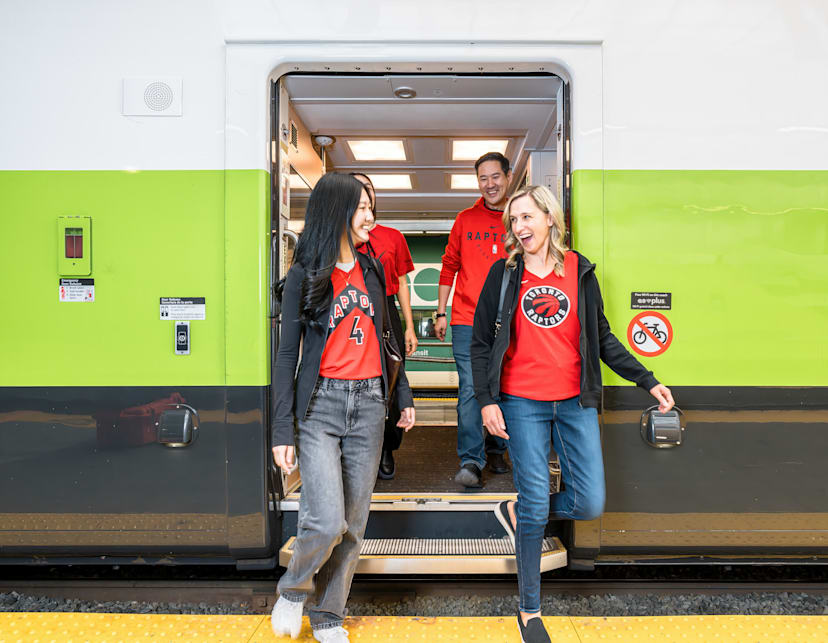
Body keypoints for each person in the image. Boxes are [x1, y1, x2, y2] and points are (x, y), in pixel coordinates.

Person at [470, 185, 674, 643]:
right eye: (514, 220)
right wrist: (486, 400)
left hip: (573, 402)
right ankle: (529, 611)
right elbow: (480, 343)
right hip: (521, 402)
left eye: (527, 217)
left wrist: (648, 381)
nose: (519, 227)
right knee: (537, 501)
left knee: (589, 502)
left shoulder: (580, 272)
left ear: (550, 218)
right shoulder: (504, 274)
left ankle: (523, 511)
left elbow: (602, 338)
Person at [270, 172, 416, 642]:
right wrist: (281, 430)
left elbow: (387, 337)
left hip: (370, 403)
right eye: (362, 207)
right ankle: (294, 588)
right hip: (320, 405)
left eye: (371, 206)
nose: (370, 216)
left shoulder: (373, 269)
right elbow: (287, 356)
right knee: (326, 519)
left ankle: (329, 616)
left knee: (352, 525)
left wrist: (402, 396)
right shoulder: (305, 275)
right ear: (338, 211)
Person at [435, 151, 513, 488]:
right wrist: (441, 312)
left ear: (508, 177)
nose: (490, 184)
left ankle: (497, 447)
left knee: (506, 385)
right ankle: (471, 459)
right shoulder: (465, 220)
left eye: (495, 176)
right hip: (467, 319)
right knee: (470, 388)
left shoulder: (520, 217)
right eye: (483, 178)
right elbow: (449, 266)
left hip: (510, 320)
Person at [350, 172, 418, 480]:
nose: (364, 194)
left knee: (390, 382)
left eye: (367, 189)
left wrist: (409, 326)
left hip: (386, 309)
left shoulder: (392, 237)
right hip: (351, 307)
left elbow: (401, 283)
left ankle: (386, 447)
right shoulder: (341, 239)